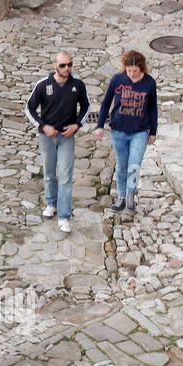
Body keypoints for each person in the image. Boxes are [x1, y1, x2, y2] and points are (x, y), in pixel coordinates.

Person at [25, 50, 89, 234]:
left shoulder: (78, 85)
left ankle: (64, 216)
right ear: (55, 66)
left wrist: (76, 126)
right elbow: (29, 109)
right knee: (49, 173)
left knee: (66, 177)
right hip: (47, 136)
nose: (67, 68)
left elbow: (86, 107)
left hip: (67, 137)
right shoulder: (43, 85)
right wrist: (43, 126)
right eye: (63, 65)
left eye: (69, 64)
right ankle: (51, 203)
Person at [94, 49, 158, 213]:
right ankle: (121, 197)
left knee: (134, 165)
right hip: (118, 130)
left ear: (141, 68)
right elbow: (106, 103)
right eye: (128, 70)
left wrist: (153, 131)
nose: (131, 73)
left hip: (140, 131)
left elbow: (152, 108)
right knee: (122, 166)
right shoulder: (117, 79)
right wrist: (100, 126)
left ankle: (130, 195)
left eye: (134, 70)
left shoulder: (149, 82)